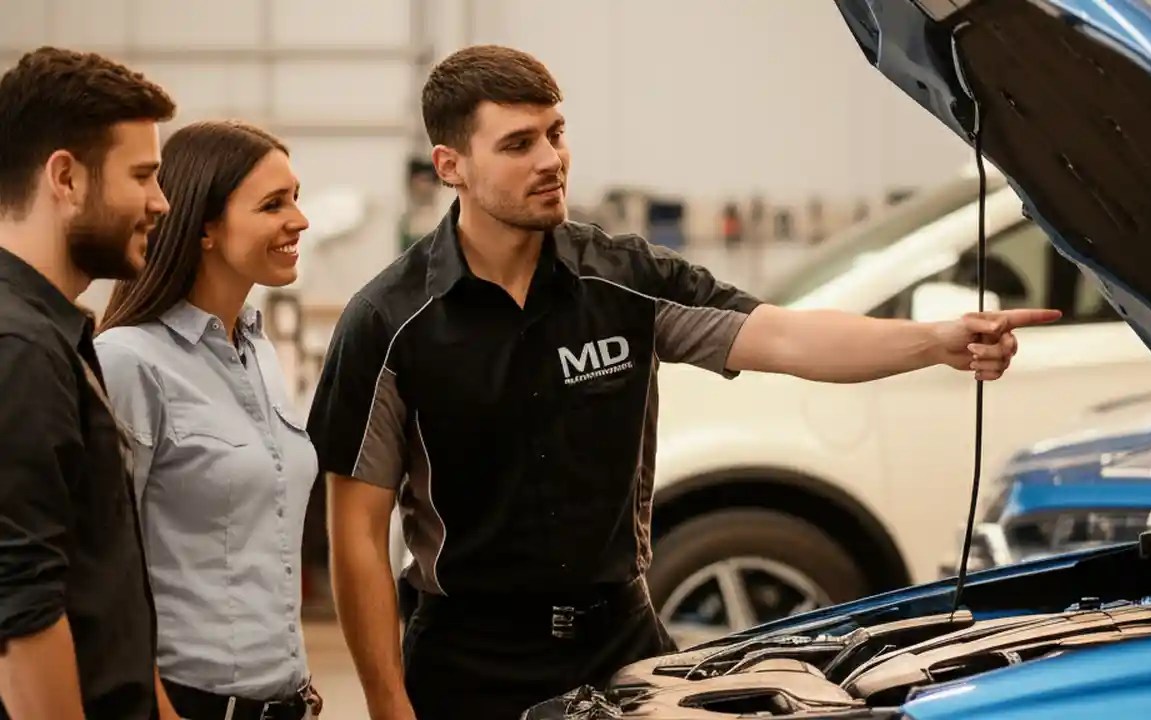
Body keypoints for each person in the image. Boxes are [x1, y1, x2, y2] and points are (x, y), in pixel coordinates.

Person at [305, 44, 1062, 720]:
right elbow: (359, 537)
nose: (551, 160)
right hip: (468, 661)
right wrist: (387, 702)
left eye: (556, 134)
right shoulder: (389, 323)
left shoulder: (626, 279)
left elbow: (786, 334)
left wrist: (934, 341)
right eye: (518, 144)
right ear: (451, 167)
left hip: (621, 642)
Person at [93, 120, 323, 720]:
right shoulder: (130, 363)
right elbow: (99, 571)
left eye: (295, 198)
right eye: (274, 204)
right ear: (206, 229)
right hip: (185, 703)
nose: (298, 220)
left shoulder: (259, 352)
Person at [0, 47, 178, 720]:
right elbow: (21, 618)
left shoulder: (50, 334)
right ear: (66, 178)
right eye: (143, 176)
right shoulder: (19, 348)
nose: (160, 202)